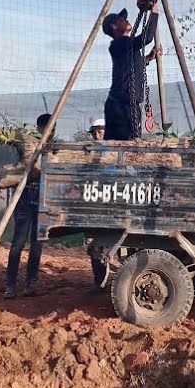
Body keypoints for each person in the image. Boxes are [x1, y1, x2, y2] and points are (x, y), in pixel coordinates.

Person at [6, 113, 51, 298]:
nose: (51, 131)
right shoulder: (29, 143)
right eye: (48, 128)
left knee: (37, 245)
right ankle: (10, 285)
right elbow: (21, 166)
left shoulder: (56, 148)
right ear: (39, 128)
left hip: (43, 205)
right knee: (17, 244)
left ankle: (31, 283)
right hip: (25, 202)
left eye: (53, 128)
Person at [102, 1, 158, 141]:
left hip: (126, 106)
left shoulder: (125, 47)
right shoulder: (120, 44)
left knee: (126, 148)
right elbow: (148, 37)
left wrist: (149, 58)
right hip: (121, 107)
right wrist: (155, 10)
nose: (126, 19)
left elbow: (132, 66)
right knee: (124, 148)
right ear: (114, 26)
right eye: (122, 19)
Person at [85, 117, 109, 293]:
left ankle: (108, 280)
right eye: (95, 132)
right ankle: (99, 281)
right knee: (93, 245)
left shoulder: (115, 150)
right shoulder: (90, 152)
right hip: (95, 206)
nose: (98, 135)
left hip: (110, 205)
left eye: (100, 131)